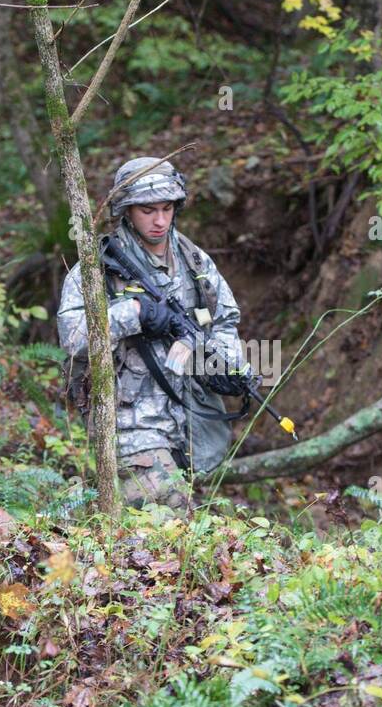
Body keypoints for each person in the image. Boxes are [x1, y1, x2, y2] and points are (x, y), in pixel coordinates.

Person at [56, 157, 252, 510]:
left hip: (190, 415)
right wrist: (133, 313)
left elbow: (225, 321)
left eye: (167, 208)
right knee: (167, 517)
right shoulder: (98, 269)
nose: (160, 220)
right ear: (126, 211)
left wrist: (226, 362)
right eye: (148, 210)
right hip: (130, 421)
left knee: (173, 527)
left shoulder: (194, 262)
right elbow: (72, 340)